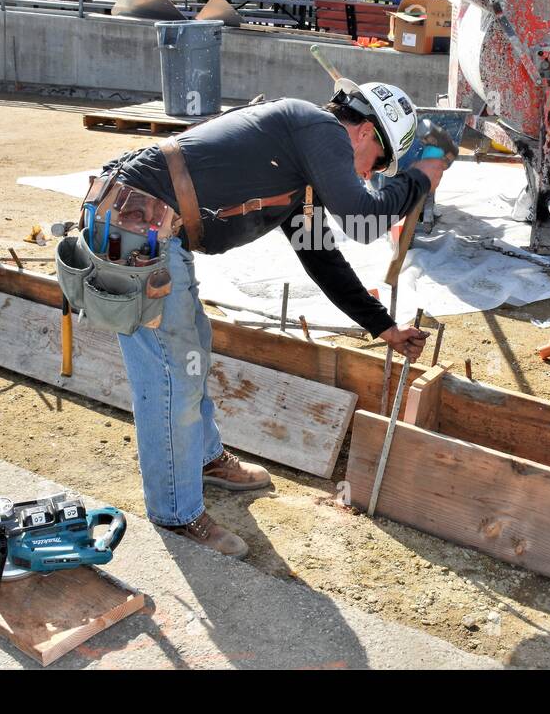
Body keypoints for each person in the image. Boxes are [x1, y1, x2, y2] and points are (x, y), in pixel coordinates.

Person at [100, 82, 446, 559]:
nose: (368, 176)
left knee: (192, 351)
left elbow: (321, 255)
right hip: (136, 225)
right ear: (365, 132)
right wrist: (423, 177)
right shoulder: (318, 126)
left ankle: (201, 460)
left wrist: (382, 326)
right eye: (375, 165)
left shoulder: (301, 163)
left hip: (152, 229)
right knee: (170, 376)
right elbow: (363, 216)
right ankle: (176, 513)